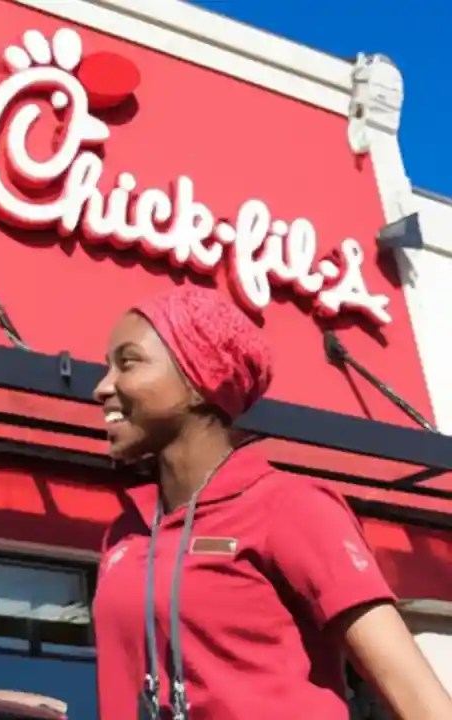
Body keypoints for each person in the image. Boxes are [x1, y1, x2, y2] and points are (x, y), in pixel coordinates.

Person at [91, 285, 452, 720]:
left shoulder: (290, 507)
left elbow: (419, 698)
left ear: (198, 380)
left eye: (127, 363)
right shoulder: (124, 534)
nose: (102, 388)